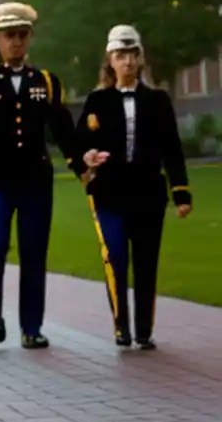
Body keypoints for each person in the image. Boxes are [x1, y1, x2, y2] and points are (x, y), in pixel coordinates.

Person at [0, 2, 85, 349]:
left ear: (29, 38)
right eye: (8, 36)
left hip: (35, 180)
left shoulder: (45, 81)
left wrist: (80, 167)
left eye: (21, 35)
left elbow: (62, 128)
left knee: (33, 253)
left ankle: (32, 327)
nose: (15, 42)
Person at [75, 25, 193, 350]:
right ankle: (120, 327)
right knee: (114, 257)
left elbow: (172, 148)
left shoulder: (157, 100)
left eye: (132, 55)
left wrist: (180, 191)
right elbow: (79, 141)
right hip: (109, 194)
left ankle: (143, 330)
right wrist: (87, 157)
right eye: (119, 55)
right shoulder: (97, 101)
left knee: (145, 263)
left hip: (148, 195)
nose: (126, 61)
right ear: (110, 61)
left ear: (140, 60)